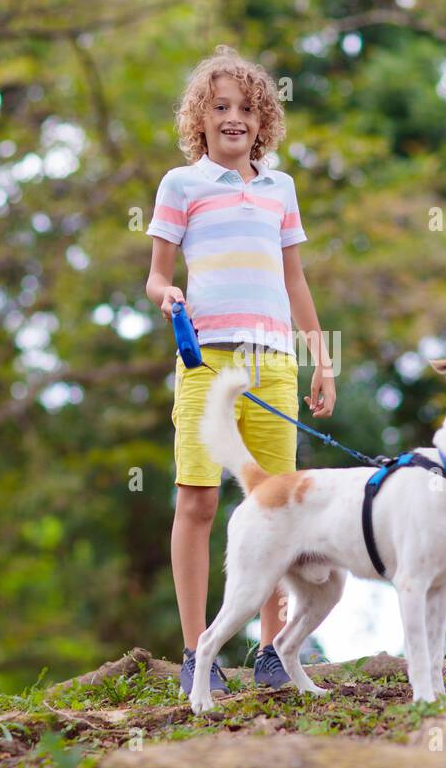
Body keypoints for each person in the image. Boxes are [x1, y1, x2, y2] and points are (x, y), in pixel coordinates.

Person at [143, 45, 337, 696]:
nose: (234, 118)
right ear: (201, 117)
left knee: (276, 508)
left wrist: (321, 357)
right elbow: (157, 274)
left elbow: (294, 278)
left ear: (263, 122)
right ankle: (198, 653)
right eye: (221, 107)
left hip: (274, 365)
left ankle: (272, 651)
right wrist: (166, 296)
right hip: (208, 363)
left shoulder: (280, 188)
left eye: (246, 109)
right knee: (197, 500)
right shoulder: (182, 184)